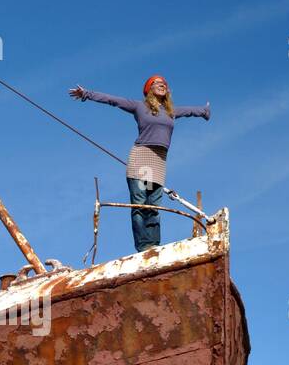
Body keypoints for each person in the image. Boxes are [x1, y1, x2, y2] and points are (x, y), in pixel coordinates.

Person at [69, 76, 210, 252]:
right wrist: (86, 94)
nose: (162, 85)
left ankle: (154, 246)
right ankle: (144, 247)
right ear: (149, 89)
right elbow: (113, 101)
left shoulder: (170, 111)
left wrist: (204, 111)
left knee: (153, 207)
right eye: (157, 83)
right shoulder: (139, 107)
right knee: (140, 204)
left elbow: (190, 111)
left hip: (158, 161)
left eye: (164, 84)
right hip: (142, 157)